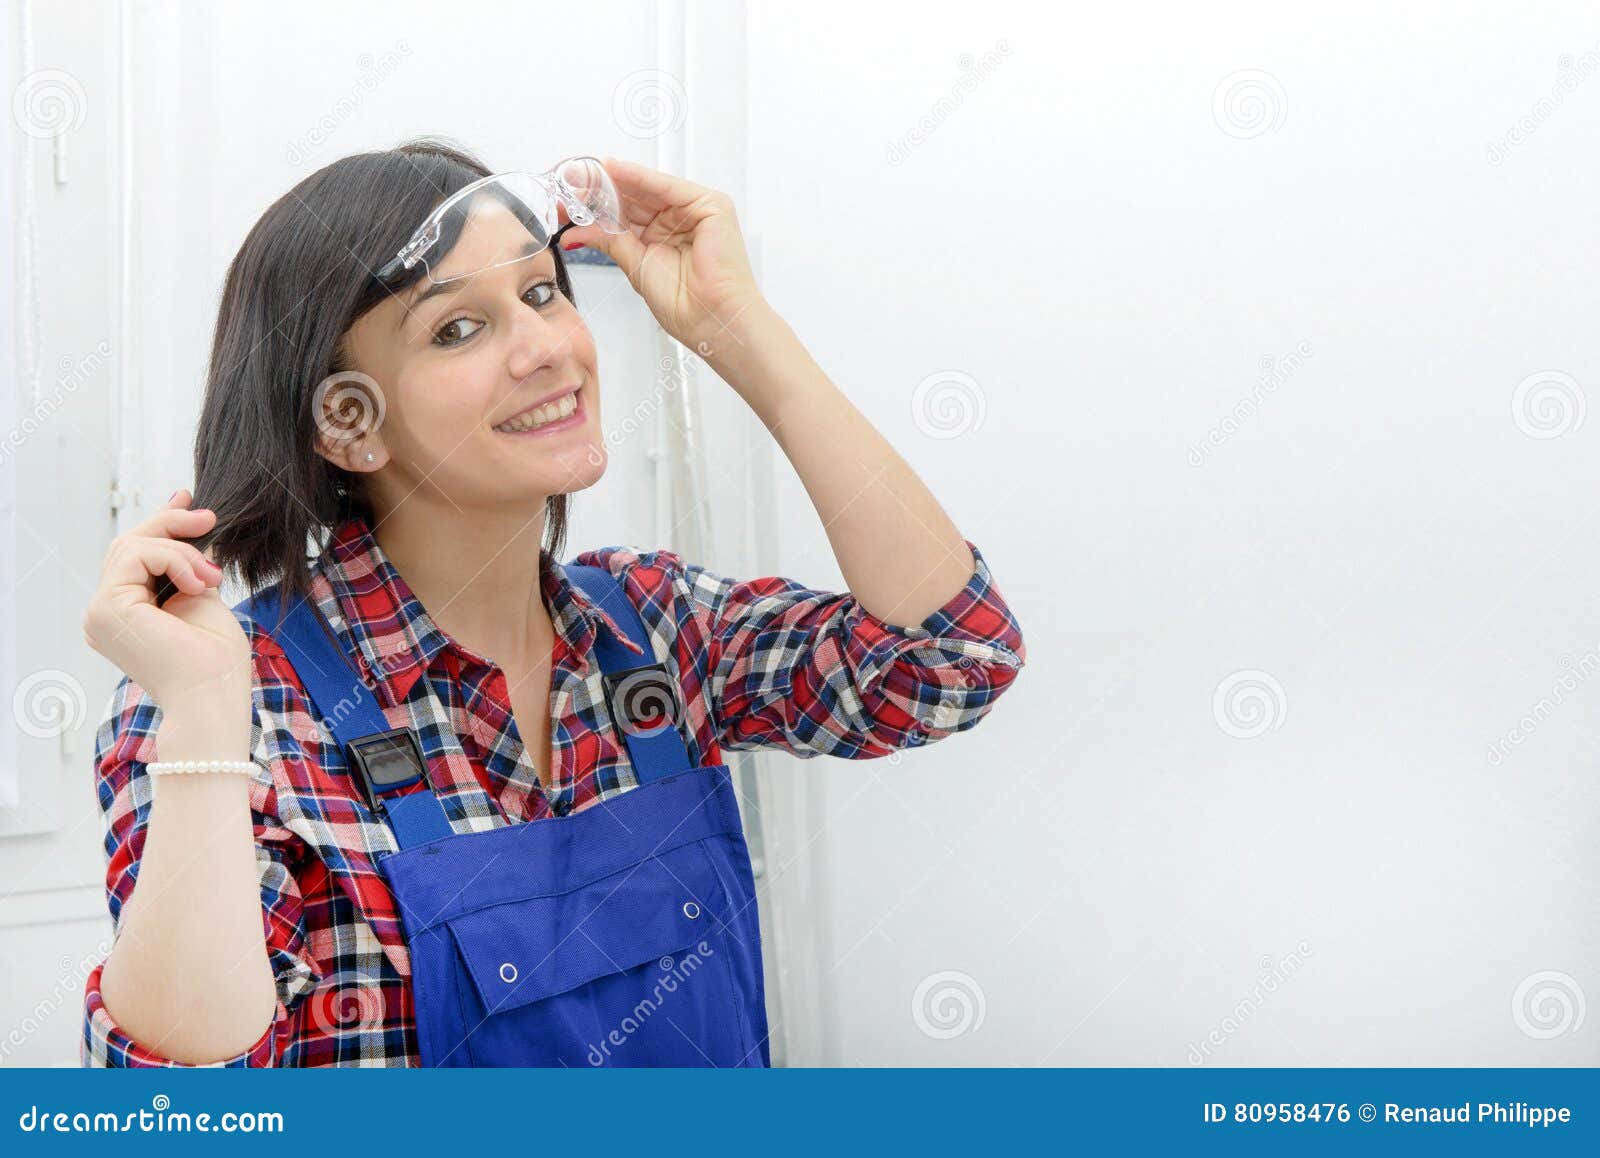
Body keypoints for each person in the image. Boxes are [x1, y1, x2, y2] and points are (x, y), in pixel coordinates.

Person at [78, 139, 1027, 1066]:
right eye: (459, 328)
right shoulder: (232, 709)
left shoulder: (656, 628)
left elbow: (954, 660)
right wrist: (202, 709)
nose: (545, 349)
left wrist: (736, 329)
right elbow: (176, 1104)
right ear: (349, 425)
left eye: (540, 293)